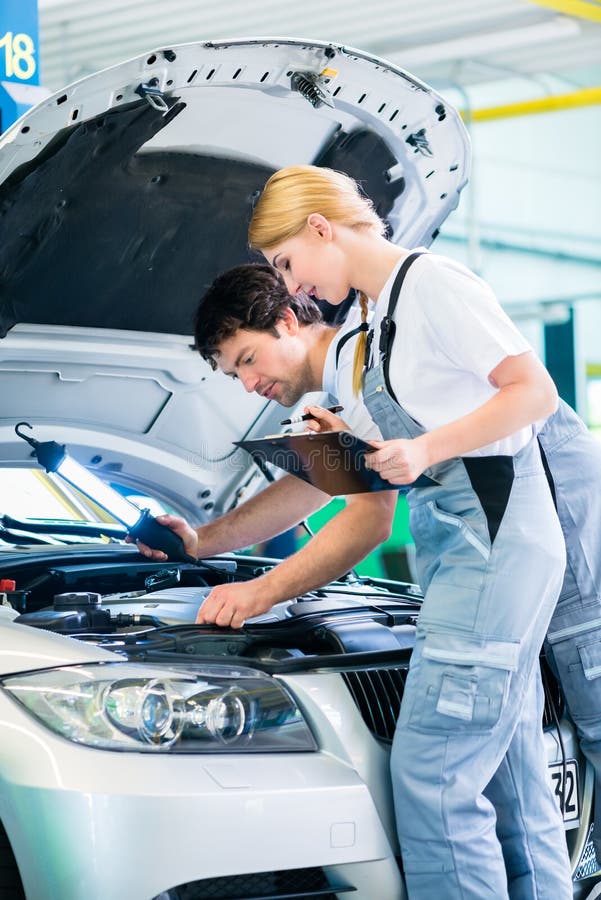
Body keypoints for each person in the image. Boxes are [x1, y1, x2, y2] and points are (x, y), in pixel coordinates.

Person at [244, 164, 573, 899]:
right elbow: (367, 467)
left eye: (287, 263)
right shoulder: (369, 323)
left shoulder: (432, 285)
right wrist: (343, 443)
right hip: (462, 552)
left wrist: (424, 450)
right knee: (511, 778)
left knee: (433, 773)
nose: (292, 285)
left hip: (495, 545)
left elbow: (534, 392)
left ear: (321, 228)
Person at [135, 262, 397, 629]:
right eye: (235, 374)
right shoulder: (341, 380)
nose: (248, 384)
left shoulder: (361, 372)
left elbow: (372, 517)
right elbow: (315, 485)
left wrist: (261, 592)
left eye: (248, 359)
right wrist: (198, 541)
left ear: (287, 321)